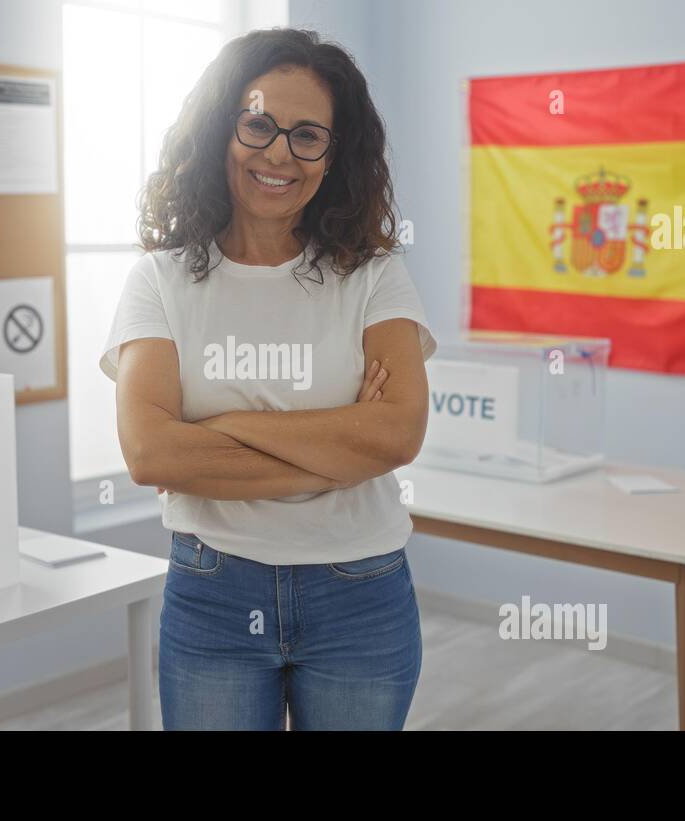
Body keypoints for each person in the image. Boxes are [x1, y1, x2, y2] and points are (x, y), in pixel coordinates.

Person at [100, 28, 436, 730]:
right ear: (222, 129)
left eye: (307, 135)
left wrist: (219, 430)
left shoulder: (374, 277)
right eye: (259, 124)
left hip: (360, 592)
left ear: (333, 156)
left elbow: (398, 432)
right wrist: (339, 449)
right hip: (213, 588)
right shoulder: (159, 281)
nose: (279, 153)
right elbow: (152, 454)